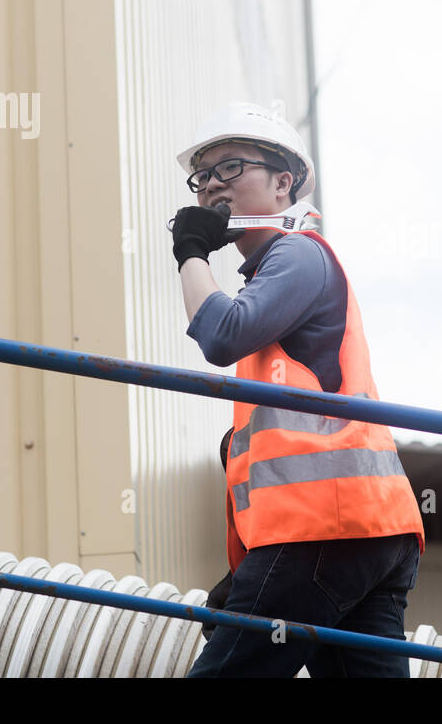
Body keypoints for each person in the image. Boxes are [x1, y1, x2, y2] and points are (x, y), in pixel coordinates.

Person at [171, 101, 425, 677]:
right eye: (204, 175)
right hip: (371, 530)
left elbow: (220, 334)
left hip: (321, 530)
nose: (213, 185)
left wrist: (190, 253)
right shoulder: (282, 276)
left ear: (284, 183)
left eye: (231, 167)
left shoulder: (298, 254)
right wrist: (244, 577)